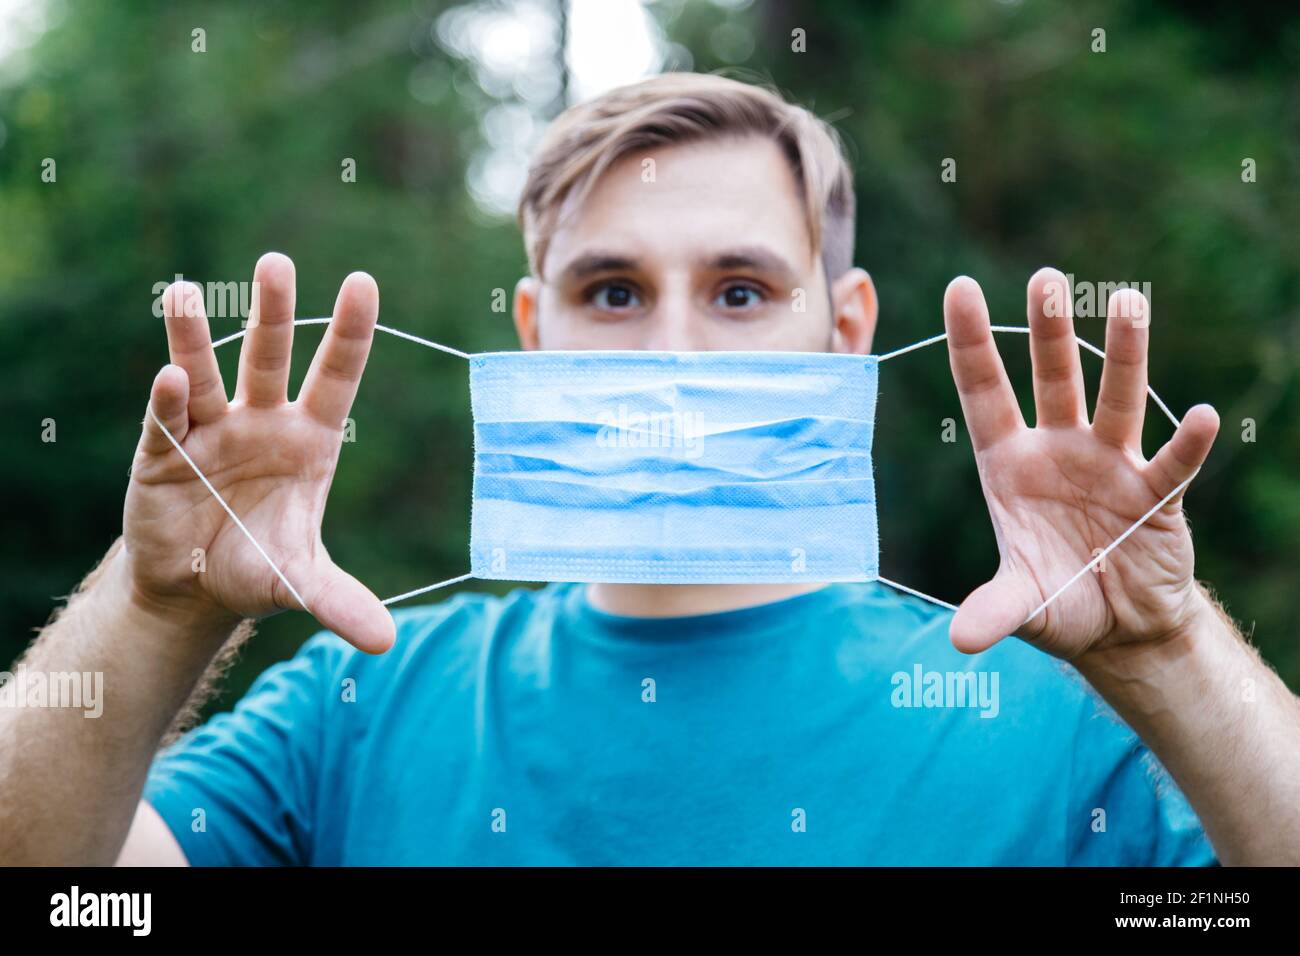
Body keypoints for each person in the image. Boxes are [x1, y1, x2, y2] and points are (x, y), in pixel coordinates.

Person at [2, 73, 1296, 866]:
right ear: (534, 331)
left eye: (741, 288)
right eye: (612, 290)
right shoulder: (359, 711)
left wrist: (1170, 646)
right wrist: (156, 605)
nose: (675, 344)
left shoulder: (1065, 728)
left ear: (844, 331)